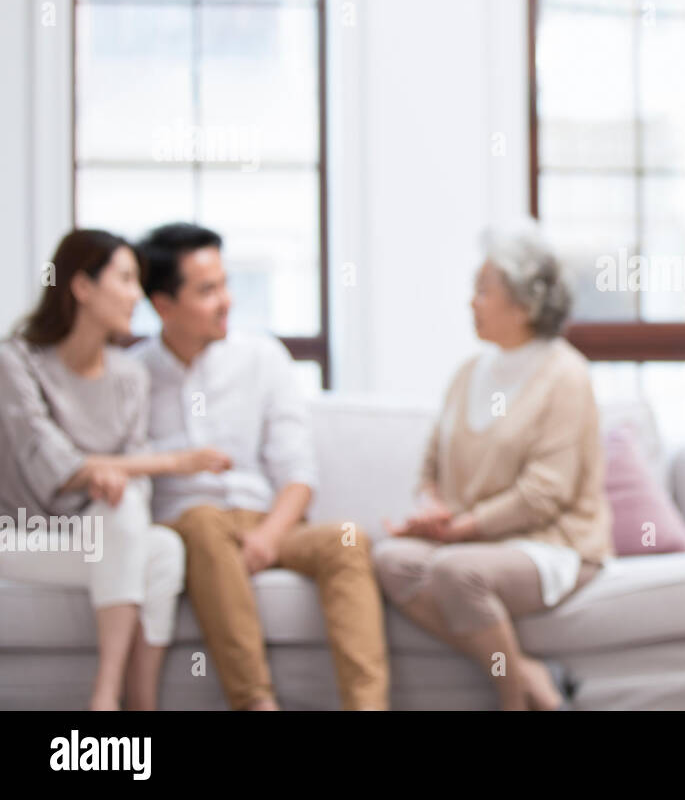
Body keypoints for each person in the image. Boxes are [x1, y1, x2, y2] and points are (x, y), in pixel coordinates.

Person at [131, 223, 389, 711]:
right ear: (163, 305)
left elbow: (298, 471)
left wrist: (270, 536)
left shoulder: (261, 358)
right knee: (205, 522)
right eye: (207, 291)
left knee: (347, 539)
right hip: (189, 531)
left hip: (259, 522)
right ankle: (256, 704)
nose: (226, 300)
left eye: (225, 284)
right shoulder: (134, 375)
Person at [373, 224, 612, 710]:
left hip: (555, 544)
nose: (471, 303)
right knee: (391, 560)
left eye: (483, 291)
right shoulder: (468, 374)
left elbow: (546, 492)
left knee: (458, 574)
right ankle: (528, 673)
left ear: (524, 305)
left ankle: (513, 701)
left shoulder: (566, 375)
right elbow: (430, 465)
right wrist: (433, 508)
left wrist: (463, 529)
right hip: (474, 540)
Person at [0, 229, 229, 710]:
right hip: (22, 531)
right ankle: (105, 700)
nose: (135, 296)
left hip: (97, 532)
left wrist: (111, 476)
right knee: (129, 519)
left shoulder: (129, 376)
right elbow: (52, 461)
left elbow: (131, 480)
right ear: (82, 287)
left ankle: (139, 706)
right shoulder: (16, 361)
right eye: (125, 280)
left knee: (161, 543)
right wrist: (175, 462)